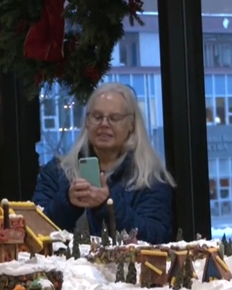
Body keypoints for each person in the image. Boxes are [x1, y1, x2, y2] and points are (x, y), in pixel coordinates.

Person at [32, 83, 175, 244]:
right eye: (97, 117)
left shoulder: (151, 178)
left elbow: (157, 238)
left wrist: (108, 206)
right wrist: (67, 202)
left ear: (131, 125)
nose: (104, 124)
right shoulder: (58, 171)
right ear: (87, 122)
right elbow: (34, 230)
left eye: (114, 118)